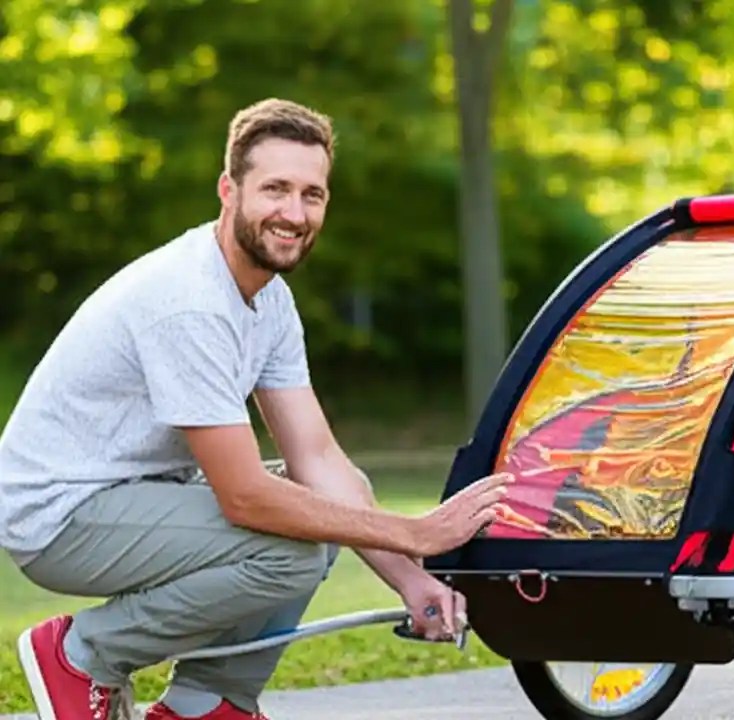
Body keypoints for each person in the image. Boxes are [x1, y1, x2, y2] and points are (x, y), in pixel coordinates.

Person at [0, 98, 513, 720]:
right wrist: (416, 532)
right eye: (275, 189)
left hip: (139, 495)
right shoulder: (190, 302)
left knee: (328, 508)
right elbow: (245, 496)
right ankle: (81, 656)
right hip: (61, 515)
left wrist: (411, 578)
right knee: (291, 547)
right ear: (228, 190)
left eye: (312, 194)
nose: (294, 214)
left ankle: (208, 705)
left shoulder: (269, 302)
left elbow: (318, 459)